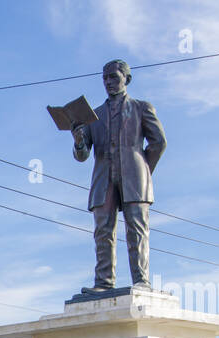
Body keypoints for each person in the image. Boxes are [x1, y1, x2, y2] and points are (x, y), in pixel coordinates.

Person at [71, 59, 167, 293]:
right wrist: (79, 141)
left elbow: (159, 142)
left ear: (127, 79)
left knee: (137, 229)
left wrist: (143, 168)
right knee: (103, 231)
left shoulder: (142, 108)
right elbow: (82, 156)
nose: (108, 82)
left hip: (135, 177)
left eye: (113, 76)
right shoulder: (94, 115)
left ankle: (141, 281)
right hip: (104, 178)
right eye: (104, 78)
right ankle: (103, 282)